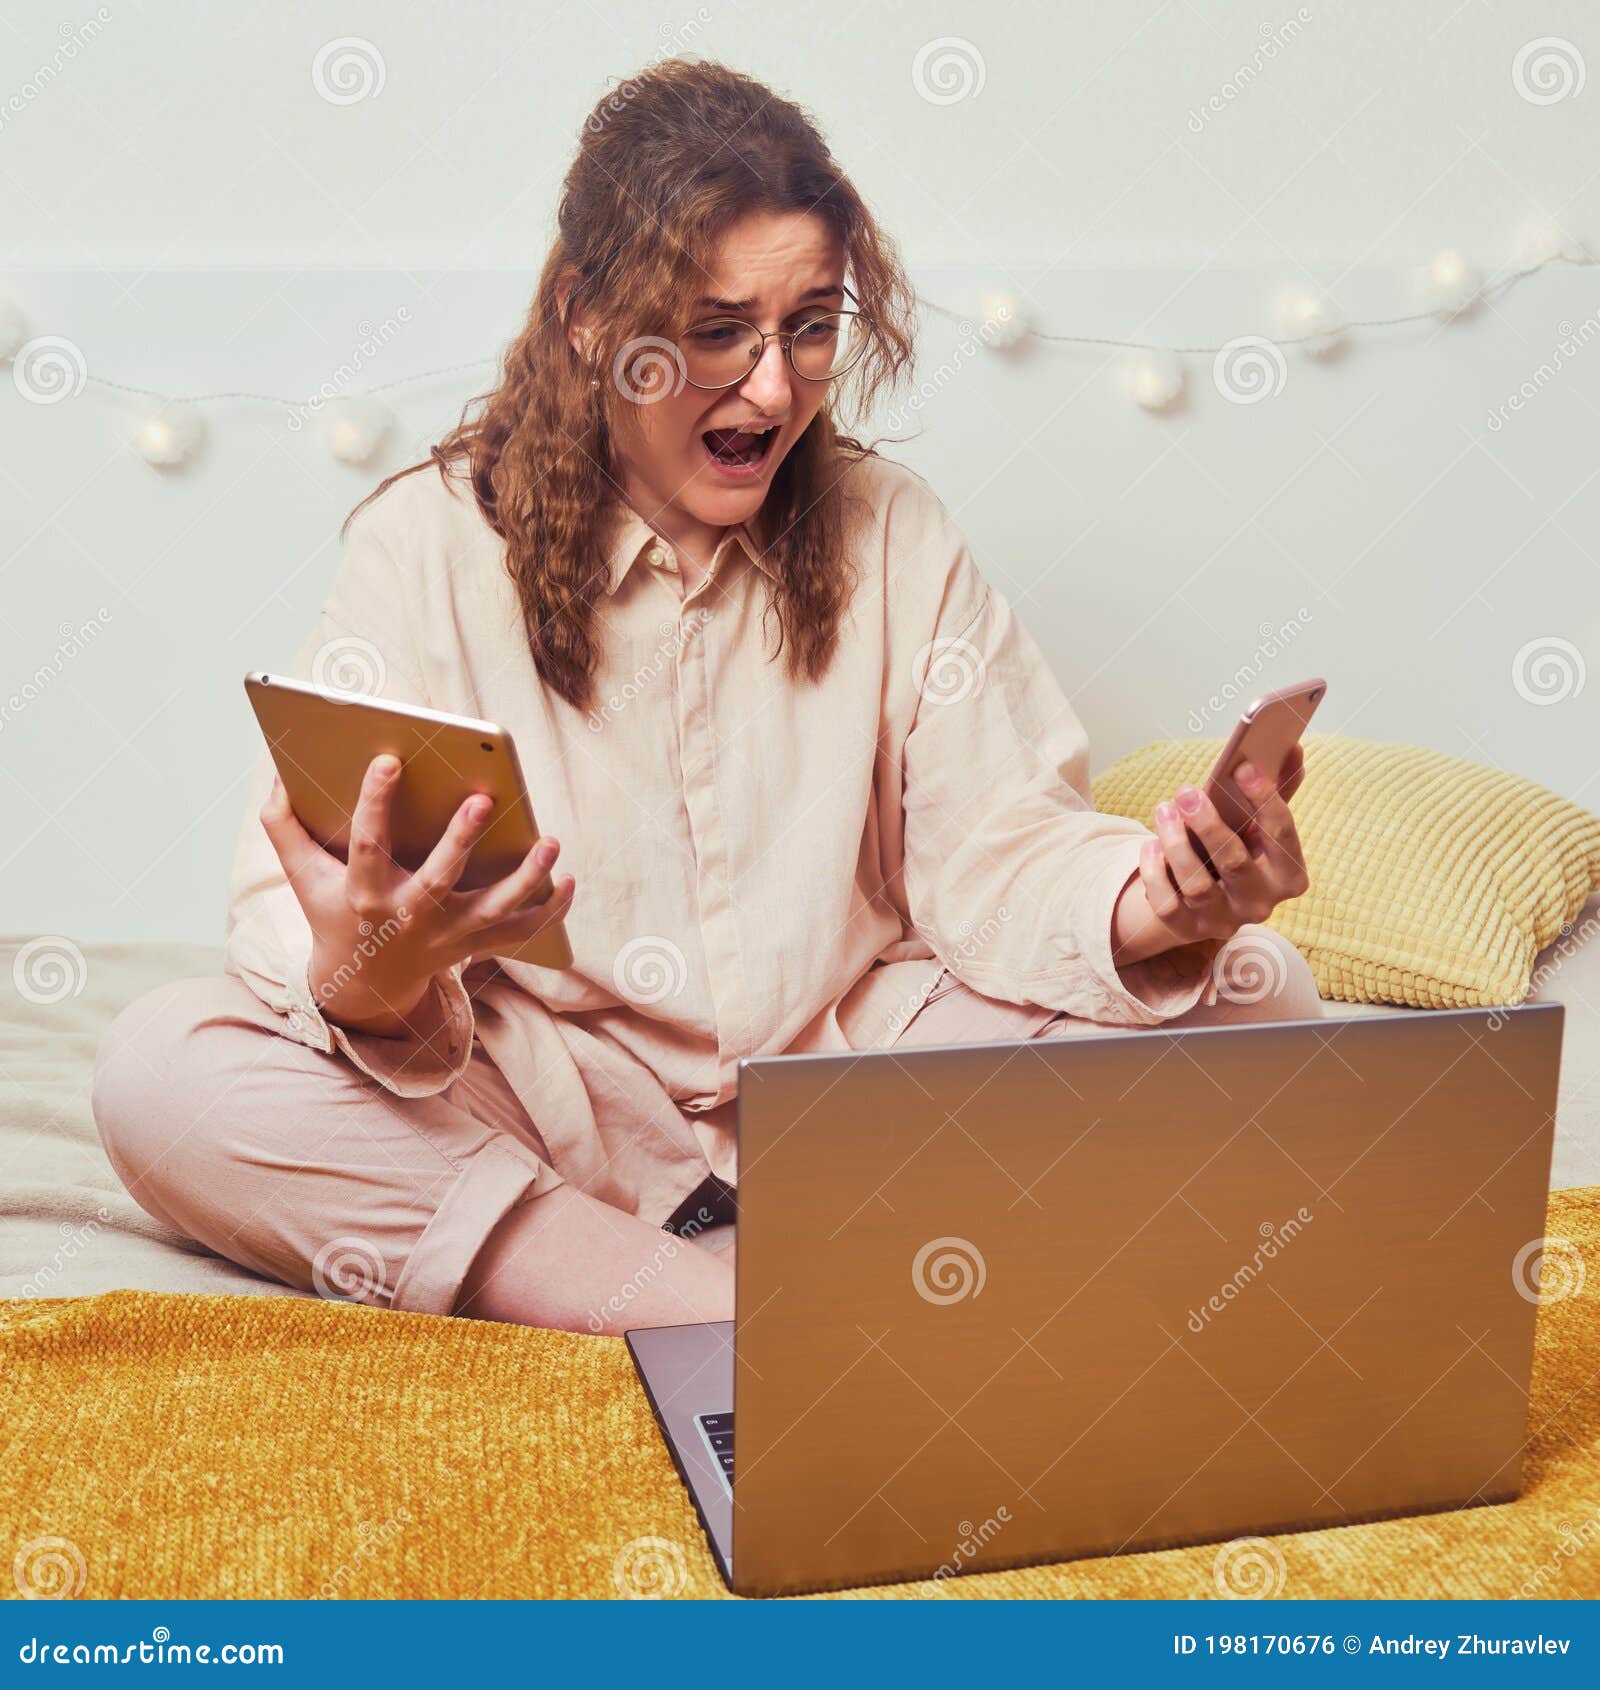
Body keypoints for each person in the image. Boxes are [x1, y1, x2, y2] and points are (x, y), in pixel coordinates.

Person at [93, 59, 1319, 1336]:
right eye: (717, 330)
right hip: (559, 1119)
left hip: (853, 1100)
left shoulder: (891, 531)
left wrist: (1159, 905)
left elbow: (1003, 850)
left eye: (810, 325)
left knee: (1258, 987)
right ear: (587, 318)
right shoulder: (428, 545)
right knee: (162, 1074)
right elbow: (291, 924)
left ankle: (707, 1291)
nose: (775, 388)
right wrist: (378, 974)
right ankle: (719, 1314)